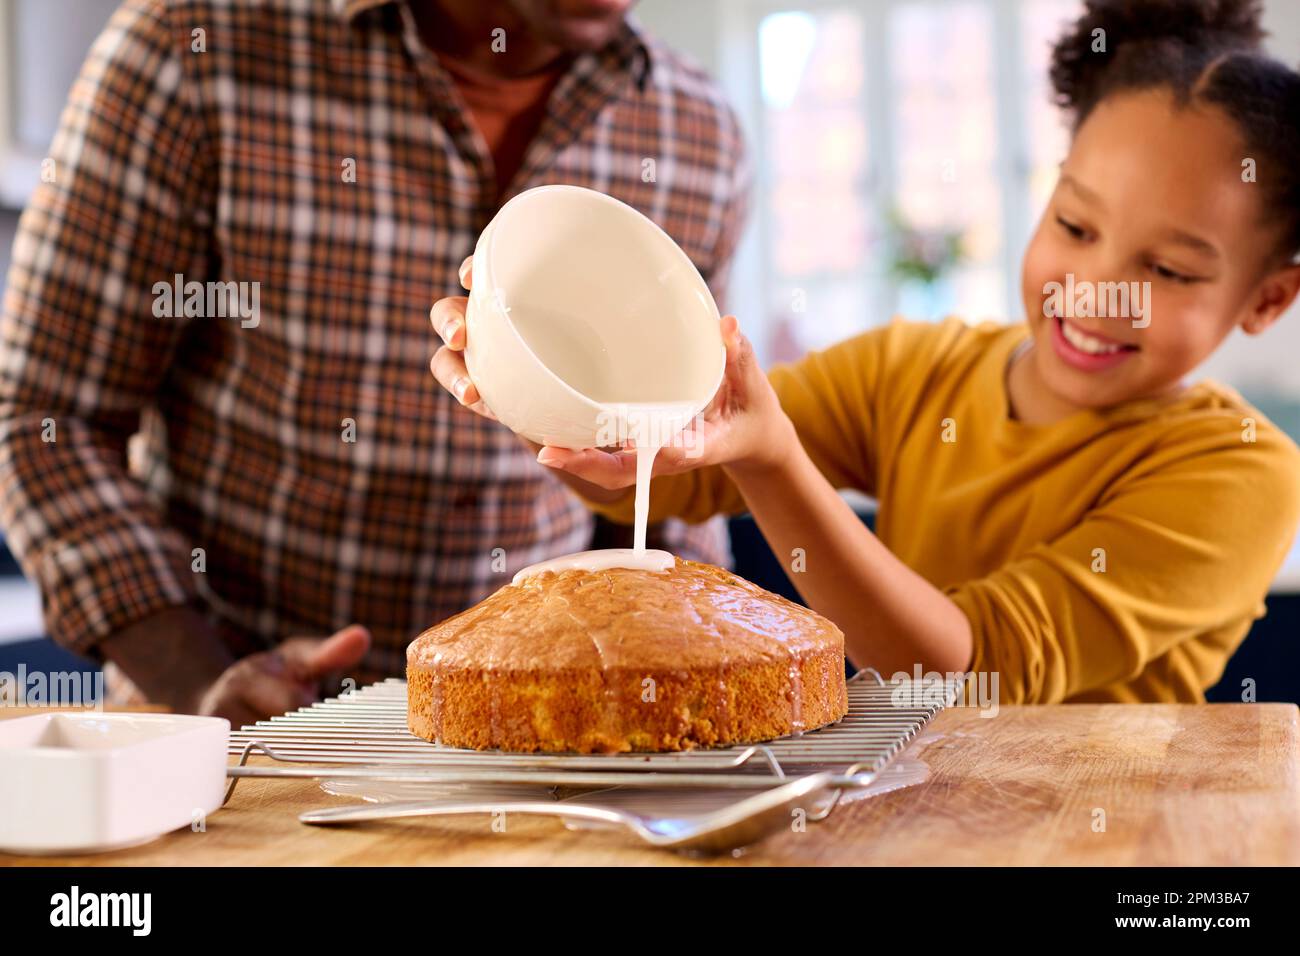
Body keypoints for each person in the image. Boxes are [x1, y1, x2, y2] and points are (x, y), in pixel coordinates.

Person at [432, 0, 1300, 704]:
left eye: (1170, 268)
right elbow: (676, 470)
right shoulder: (914, 371)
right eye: (1074, 224)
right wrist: (530, 374)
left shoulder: (1244, 474)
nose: (1095, 286)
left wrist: (772, 459)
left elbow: (974, 676)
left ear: (1267, 298)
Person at [0, 0, 747, 726]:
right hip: (231, 733)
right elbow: (44, 416)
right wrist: (200, 687)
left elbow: (672, 459)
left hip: (539, 744)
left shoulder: (695, 132)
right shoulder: (195, 52)